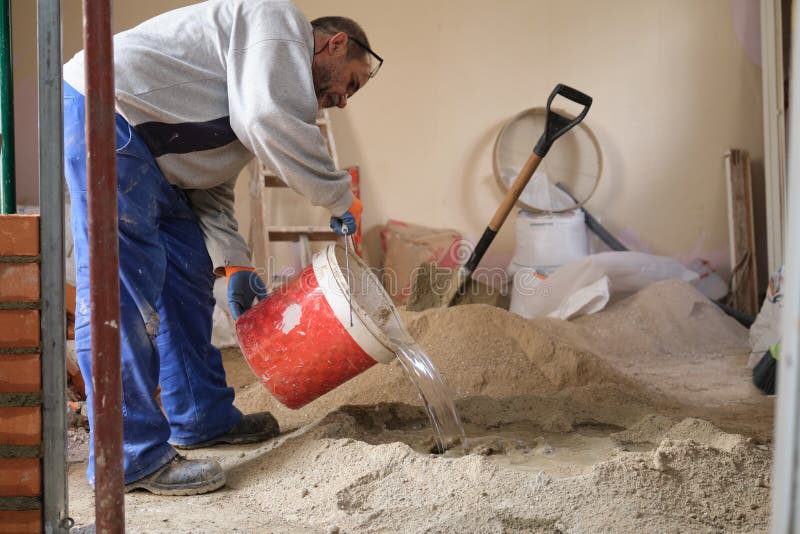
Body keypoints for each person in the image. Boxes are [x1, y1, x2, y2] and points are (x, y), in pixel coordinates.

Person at [62, 0, 381, 496]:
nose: (343, 101)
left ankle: (200, 417)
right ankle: (129, 456)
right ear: (334, 43)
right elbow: (266, 117)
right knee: (125, 289)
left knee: (188, 274)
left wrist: (233, 263)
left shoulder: (249, 82)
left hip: (151, 151)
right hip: (107, 110)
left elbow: (209, 184)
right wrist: (341, 196)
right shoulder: (279, 22)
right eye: (352, 83)